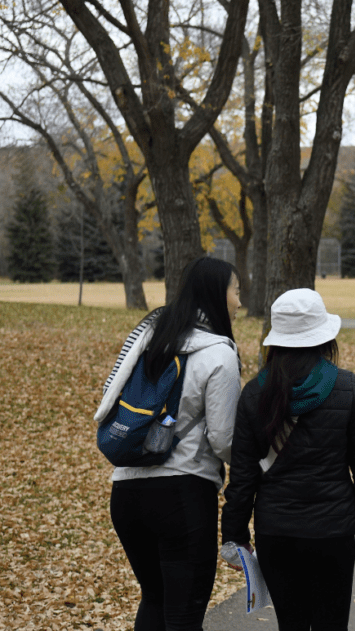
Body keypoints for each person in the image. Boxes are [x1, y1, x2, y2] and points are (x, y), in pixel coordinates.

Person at [221, 288, 355, 631]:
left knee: (291, 624)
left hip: (275, 531)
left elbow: (243, 476)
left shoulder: (254, 393)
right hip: (333, 530)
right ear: (324, 337)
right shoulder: (347, 387)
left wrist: (235, 534)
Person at [94, 256, 243, 631]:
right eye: (237, 291)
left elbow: (109, 401)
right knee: (184, 615)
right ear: (217, 294)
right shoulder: (219, 353)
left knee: (155, 600)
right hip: (182, 497)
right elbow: (224, 439)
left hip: (126, 493)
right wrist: (258, 465)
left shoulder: (148, 338)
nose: (240, 302)